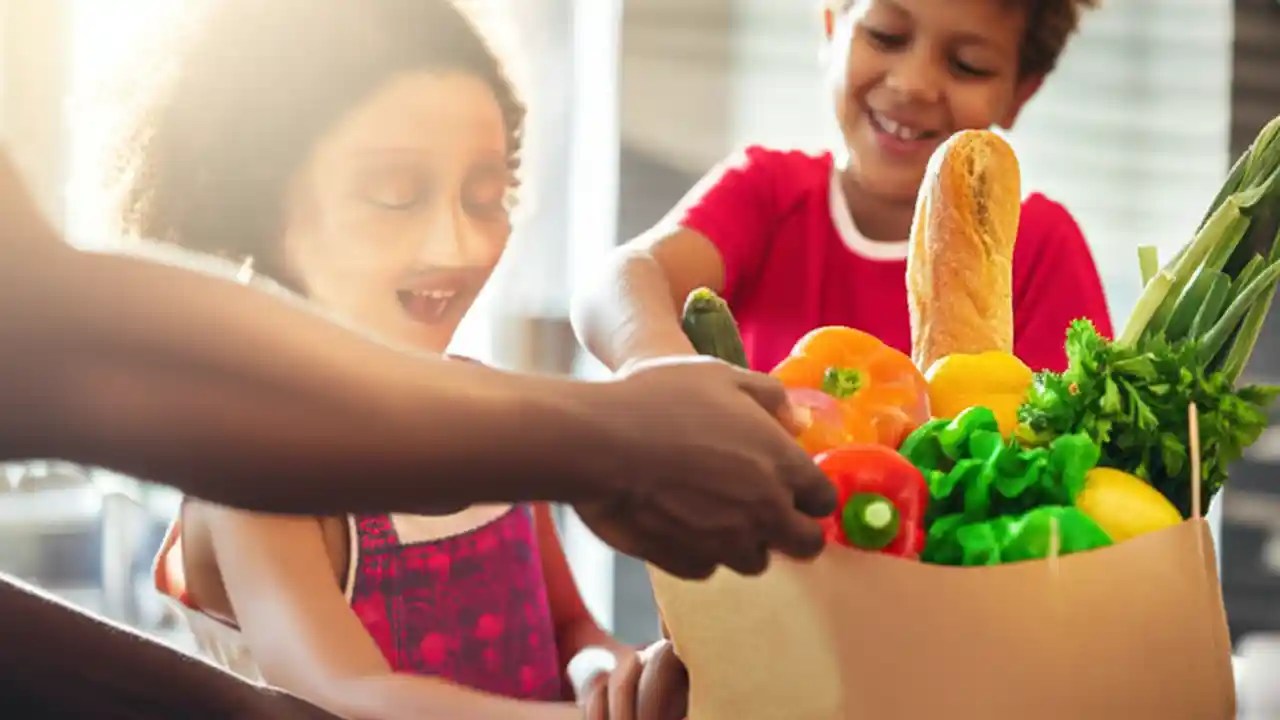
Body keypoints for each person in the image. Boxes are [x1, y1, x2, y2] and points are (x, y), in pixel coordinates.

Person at [102, 1, 672, 716]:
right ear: (257, 201)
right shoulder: (249, 468)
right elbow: (346, 695)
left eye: (486, 197)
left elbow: (571, 630)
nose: (457, 247)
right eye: (395, 195)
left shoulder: (494, 421)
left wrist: (606, 676)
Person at [571, 0, 1114, 379]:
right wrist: (660, 366)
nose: (912, 83)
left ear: (1021, 93)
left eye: (967, 65)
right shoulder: (766, 194)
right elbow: (616, 282)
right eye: (885, 36)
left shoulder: (1040, 245)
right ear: (832, 28)